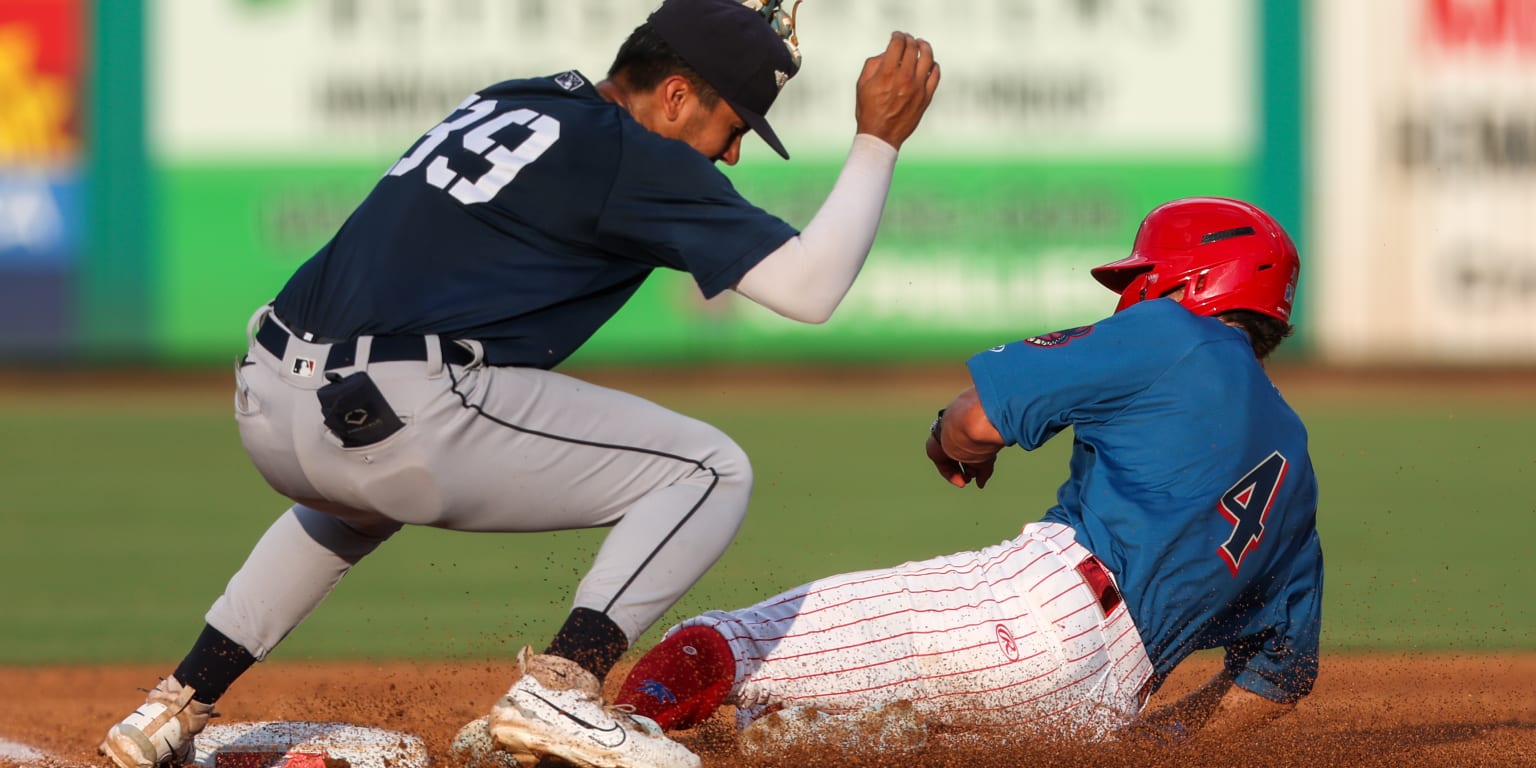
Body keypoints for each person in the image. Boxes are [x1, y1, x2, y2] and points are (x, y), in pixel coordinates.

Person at [98, 1, 940, 767]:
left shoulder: (519, 98)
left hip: (268, 396)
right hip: (396, 412)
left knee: (356, 500)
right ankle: (563, 689)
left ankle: (172, 707)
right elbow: (812, 287)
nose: (733, 150)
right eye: (733, 121)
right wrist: (877, 142)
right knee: (709, 470)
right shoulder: (635, 154)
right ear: (676, 95)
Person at [610, 196, 1323, 751]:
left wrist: (954, 444)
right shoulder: (1295, 465)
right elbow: (1276, 682)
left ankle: (592, 739)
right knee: (781, 730)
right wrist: (1156, 744)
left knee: (724, 644)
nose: (1131, 294)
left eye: (1143, 277)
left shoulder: (1176, 333)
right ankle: (874, 741)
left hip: (1039, 610)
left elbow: (975, 419)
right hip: (1101, 711)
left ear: (1188, 282)